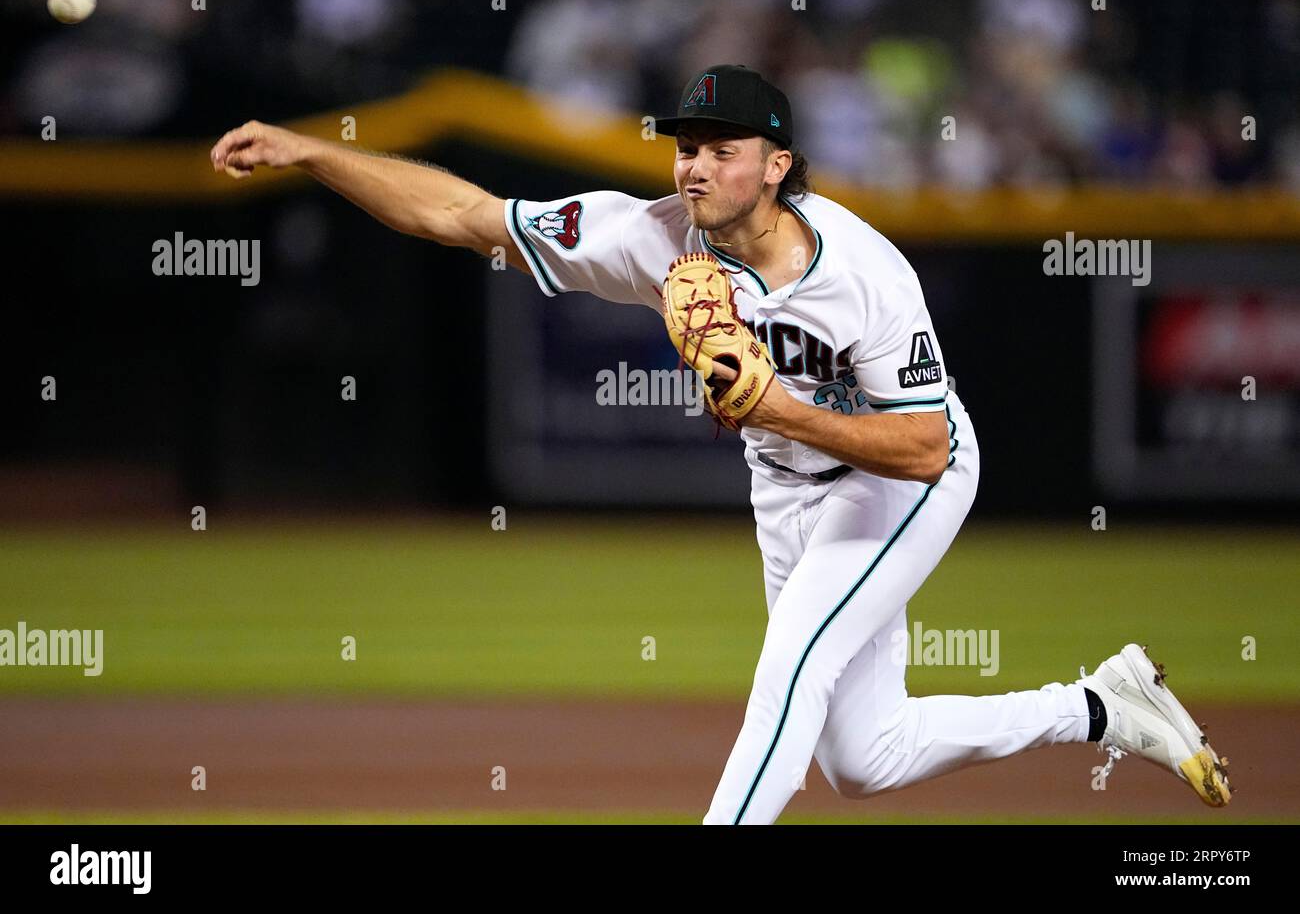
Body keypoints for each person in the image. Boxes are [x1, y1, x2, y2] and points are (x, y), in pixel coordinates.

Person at [210, 64, 1232, 823]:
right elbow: (466, 215)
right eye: (685, 144)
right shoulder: (651, 236)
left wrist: (775, 406)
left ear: (775, 166)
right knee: (865, 756)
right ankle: (1097, 705)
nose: (693, 163)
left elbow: (923, 445)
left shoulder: (862, 272)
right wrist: (313, 151)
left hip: (903, 475)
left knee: (788, 666)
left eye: (720, 147)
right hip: (790, 493)